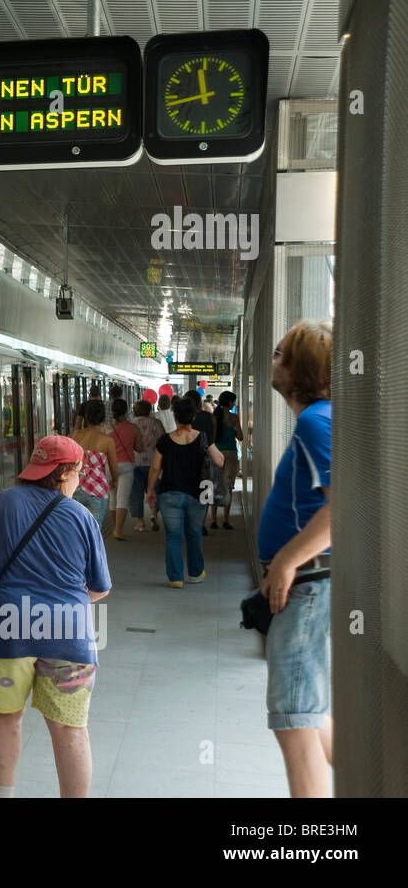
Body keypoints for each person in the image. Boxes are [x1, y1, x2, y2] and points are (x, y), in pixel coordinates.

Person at [0, 434, 111, 798]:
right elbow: (100, 588)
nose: (80, 480)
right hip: (70, 634)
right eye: (79, 472)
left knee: (4, 718)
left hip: (8, 631)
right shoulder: (82, 517)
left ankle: (1, 795)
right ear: (64, 473)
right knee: (70, 728)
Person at [255, 319, 333, 798]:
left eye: (280, 353)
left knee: (293, 719)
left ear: (299, 368)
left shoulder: (315, 420)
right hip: (309, 584)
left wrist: (285, 561)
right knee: (308, 711)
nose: (274, 359)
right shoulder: (319, 418)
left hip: (306, 585)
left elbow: (340, 506)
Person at [145, 397, 225, 587]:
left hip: (170, 494)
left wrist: (150, 490)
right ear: (193, 416)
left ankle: (176, 578)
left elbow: (155, 469)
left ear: (175, 416)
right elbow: (220, 461)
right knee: (194, 532)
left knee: (173, 536)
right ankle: (196, 573)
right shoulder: (203, 437)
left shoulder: (165, 440)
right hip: (199, 493)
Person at [71, 401, 116, 528]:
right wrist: (114, 481)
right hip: (97, 489)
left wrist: (78, 421)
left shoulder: (74, 436)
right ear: (103, 417)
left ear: (86, 416)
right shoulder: (107, 441)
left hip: (74, 487)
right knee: (93, 532)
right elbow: (114, 469)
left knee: (75, 531)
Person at [106, 398, 143, 540]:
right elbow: (140, 448)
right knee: (123, 498)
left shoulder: (106, 428)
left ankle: (114, 525)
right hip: (126, 465)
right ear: (126, 411)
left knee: (113, 497)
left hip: (109, 465)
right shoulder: (133, 428)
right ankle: (118, 530)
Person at [185, 391, 218, 537]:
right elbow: (213, 437)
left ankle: (190, 522)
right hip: (206, 457)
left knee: (189, 489)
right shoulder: (209, 416)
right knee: (205, 491)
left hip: (188, 457)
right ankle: (201, 523)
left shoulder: (185, 417)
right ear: (199, 402)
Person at [130, 400, 165, 532]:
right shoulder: (157, 423)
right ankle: (153, 514)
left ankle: (140, 522)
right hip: (154, 463)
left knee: (136, 493)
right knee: (154, 490)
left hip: (135, 462)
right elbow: (163, 440)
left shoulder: (132, 424)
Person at [210, 390, 243, 529]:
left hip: (215, 453)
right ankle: (226, 520)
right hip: (230, 455)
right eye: (233, 401)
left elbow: (212, 437)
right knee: (228, 487)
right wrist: (235, 427)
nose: (233, 403)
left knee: (214, 485)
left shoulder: (213, 417)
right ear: (229, 402)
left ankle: (213, 520)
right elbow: (240, 437)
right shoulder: (234, 418)